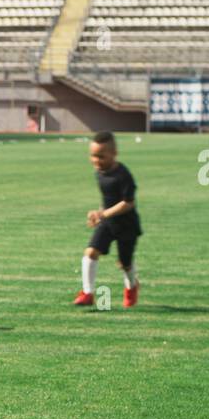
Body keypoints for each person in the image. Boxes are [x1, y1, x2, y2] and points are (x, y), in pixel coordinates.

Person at [73, 130, 142, 308]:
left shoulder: (123, 175)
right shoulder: (99, 173)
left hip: (127, 225)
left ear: (114, 154)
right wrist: (99, 214)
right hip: (108, 223)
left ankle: (131, 286)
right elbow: (108, 200)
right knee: (90, 252)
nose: (96, 160)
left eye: (101, 156)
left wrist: (103, 214)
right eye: (93, 156)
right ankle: (88, 293)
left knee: (125, 263)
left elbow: (128, 203)